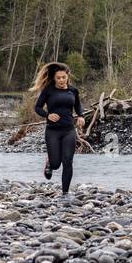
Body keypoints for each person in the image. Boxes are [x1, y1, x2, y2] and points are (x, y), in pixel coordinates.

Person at [31, 62, 85, 202]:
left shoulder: (73, 91)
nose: (61, 80)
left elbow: (78, 105)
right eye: (58, 78)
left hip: (68, 130)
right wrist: (47, 115)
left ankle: (65, 193)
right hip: (53, 131)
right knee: (56, 164)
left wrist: (80, 116)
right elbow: (38, 107)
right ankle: (49, 162)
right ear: (54, 78)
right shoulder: (48, 90)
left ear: (67, 77)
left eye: (64, 77)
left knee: (68, 161)